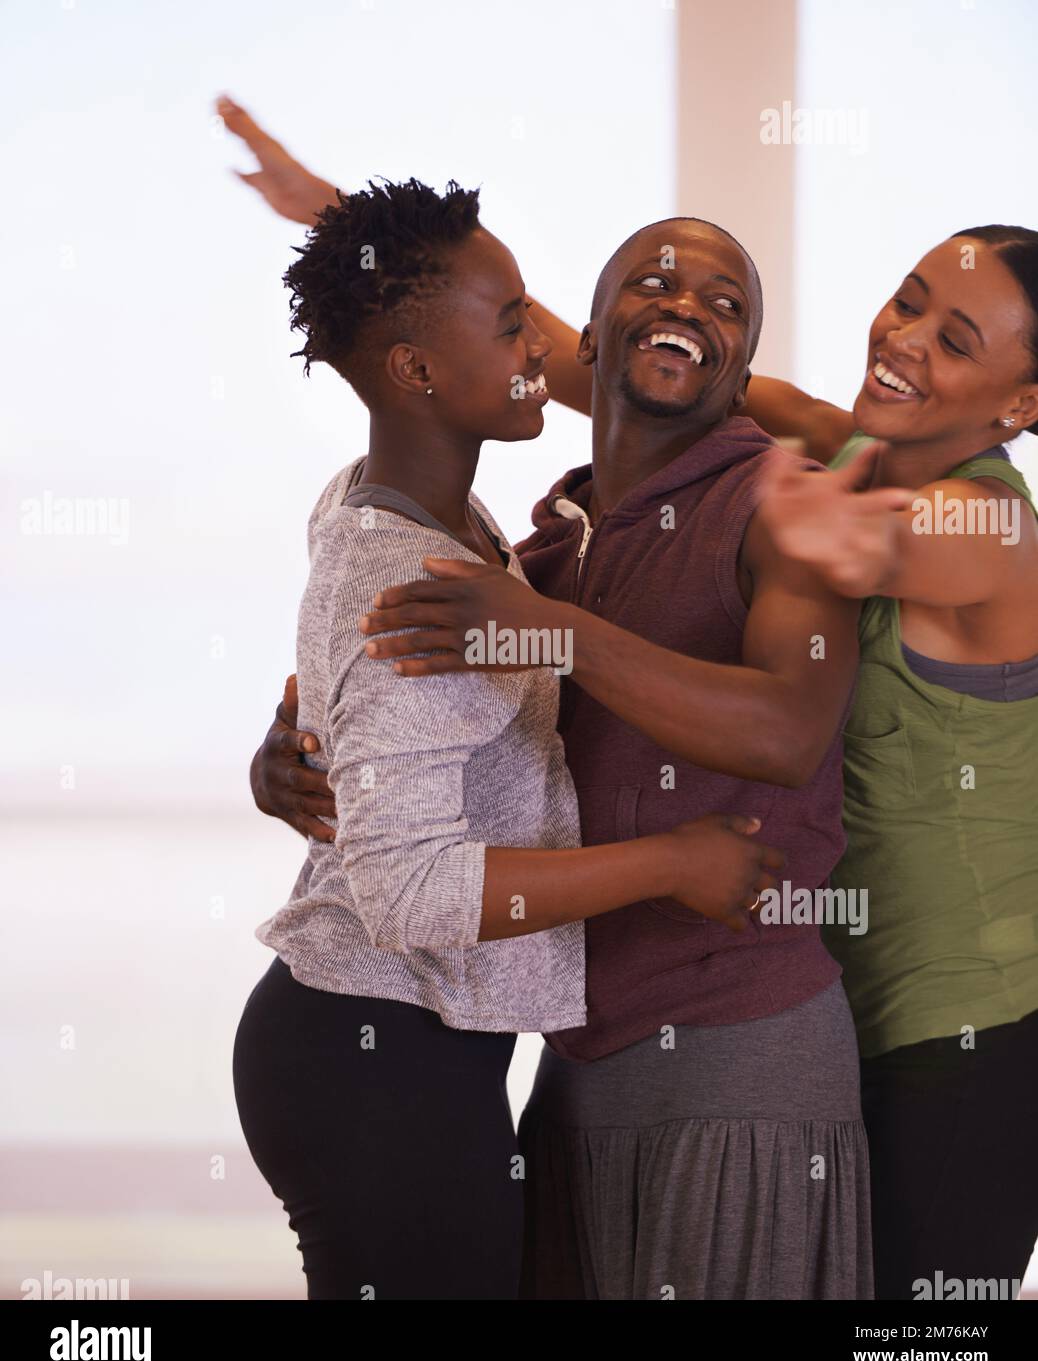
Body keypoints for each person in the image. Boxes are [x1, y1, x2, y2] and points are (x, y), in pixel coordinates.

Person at [226, 99, 874, 1300]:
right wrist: (290, 749)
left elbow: (787, 728)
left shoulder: (757, 506)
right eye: (655, 283)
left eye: (728, 303)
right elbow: (407, 841)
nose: (686, 306)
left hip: (701, 1057)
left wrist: (548, 633)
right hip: (503, 1061)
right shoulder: (518, 553)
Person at [752, 225, 1038, 1300]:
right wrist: (358, 230)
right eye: (907, 300)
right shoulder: (859, 452)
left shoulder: (992, 528)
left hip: (976, 1047)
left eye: (954, 338)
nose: (905, 338)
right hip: (850, 1027)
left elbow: (889, 543)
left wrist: (814, 522)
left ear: (1020, 404)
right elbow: (636, 357)